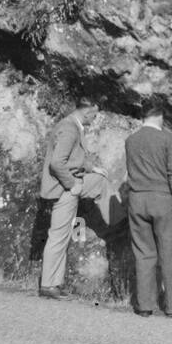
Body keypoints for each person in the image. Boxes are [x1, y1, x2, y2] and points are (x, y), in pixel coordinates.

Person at [38, 98, 121, 298]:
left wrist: (93, 168)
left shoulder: (70, 126)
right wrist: (72, 185)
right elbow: (57, 163)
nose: (94, 119)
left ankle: (119, 219)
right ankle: (49, 285)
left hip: (71, 182)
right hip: (65, 187)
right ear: (87, 111)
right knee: (59, 235)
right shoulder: (69, 129)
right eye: (94, 115)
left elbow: (74, 158)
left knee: (100, 181)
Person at [124, 97, 172, 317]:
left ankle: (144, 306)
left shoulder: (130, 140)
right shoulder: (167, 139)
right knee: (169, 254)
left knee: (143, 253)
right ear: (160, 116)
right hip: (162, 201)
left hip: (137, 200)